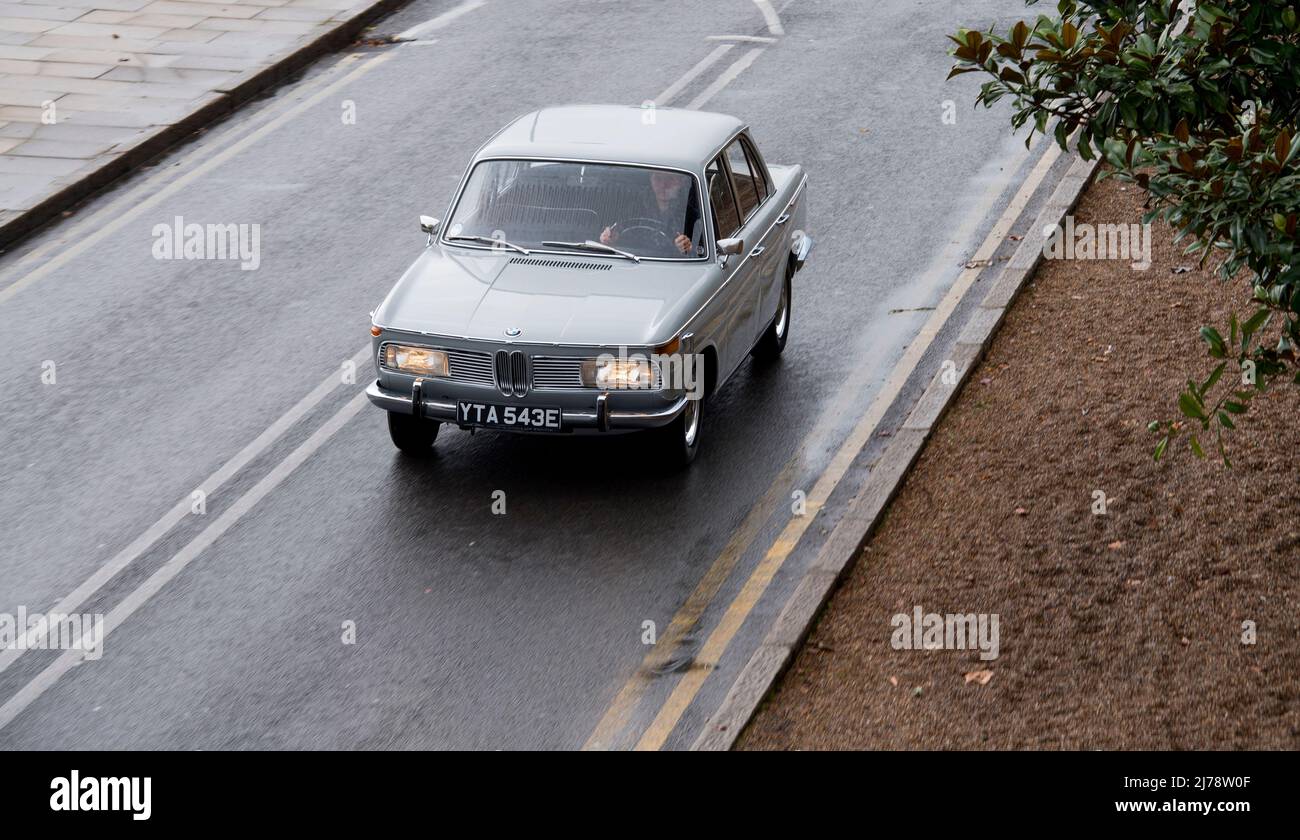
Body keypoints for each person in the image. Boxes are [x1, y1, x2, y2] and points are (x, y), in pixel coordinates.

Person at [600, 170, 701, 256]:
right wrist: (609, 237)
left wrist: (687, 247)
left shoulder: (692, 214)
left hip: (673, 267)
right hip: (632, 261)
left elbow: (699, 252)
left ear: (681, 183)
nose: (663, 185)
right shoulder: (634, 207)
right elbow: (617, 231)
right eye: (658, 178)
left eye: (670, 179)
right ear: (650, 179)